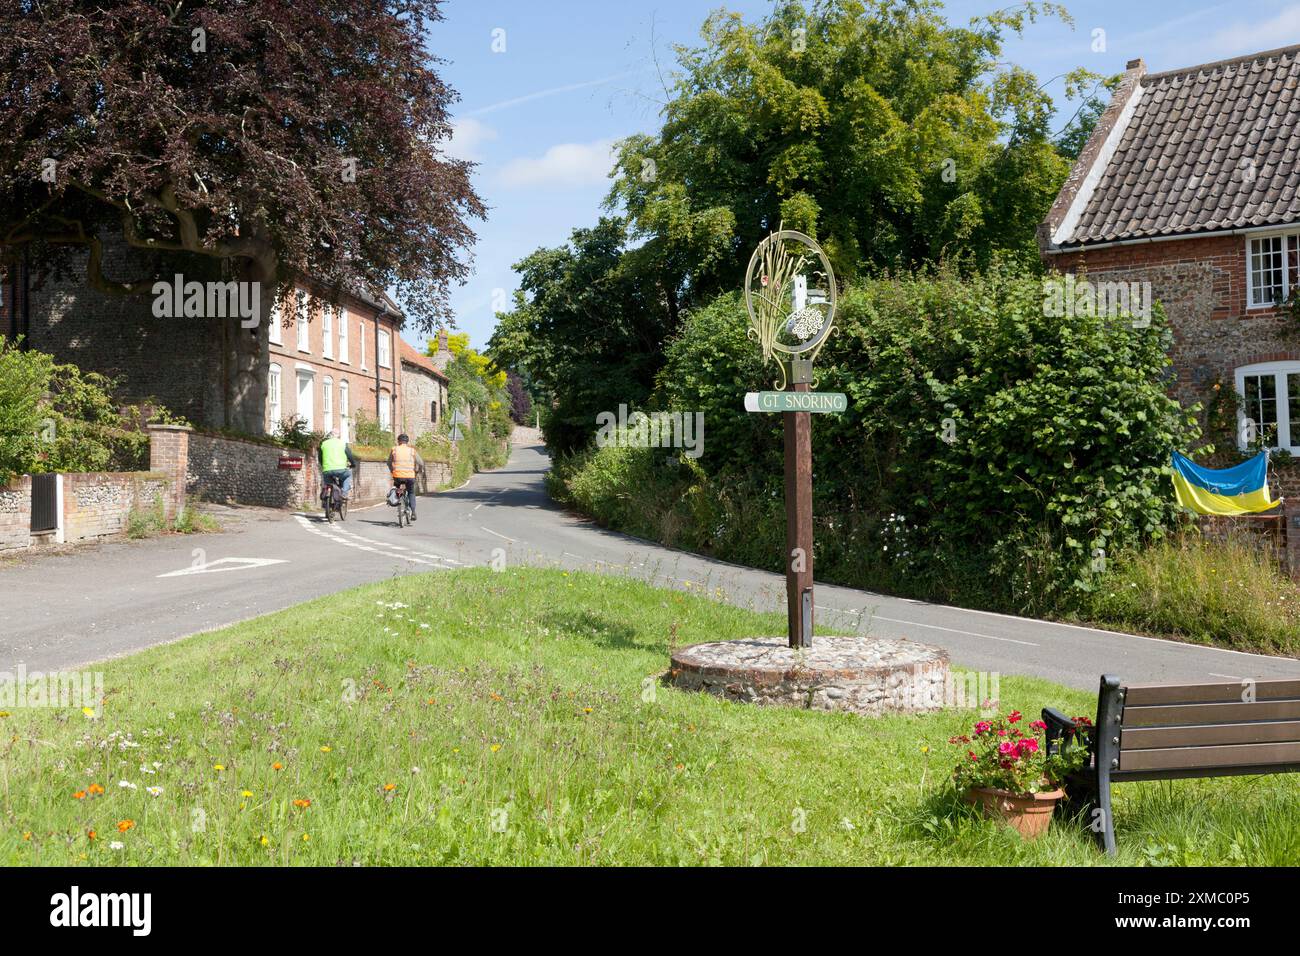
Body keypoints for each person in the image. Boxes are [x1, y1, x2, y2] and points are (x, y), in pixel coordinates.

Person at [388, 433, 425, 521]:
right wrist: (418, 471)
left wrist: (392, 471)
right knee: (411, 493)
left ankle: (396, 499)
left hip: (397, 476)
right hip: (410, 476)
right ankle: (413, 512)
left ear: (398, 441)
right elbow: (421, 463)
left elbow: (389, 463)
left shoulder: (394, 449)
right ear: (407, 442)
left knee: (396, 488)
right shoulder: (412, 451)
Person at [318, 428, 360, 503]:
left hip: (327, 470)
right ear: (338, 435)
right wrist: (353, 464)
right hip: (341, 470)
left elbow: (320, 457)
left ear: (330, 435)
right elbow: (349, 455)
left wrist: (323, 465)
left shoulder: (324, 444)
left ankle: (326, 493)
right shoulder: (342, 443)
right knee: (348, 476)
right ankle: (344, 493)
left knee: (328, 482)